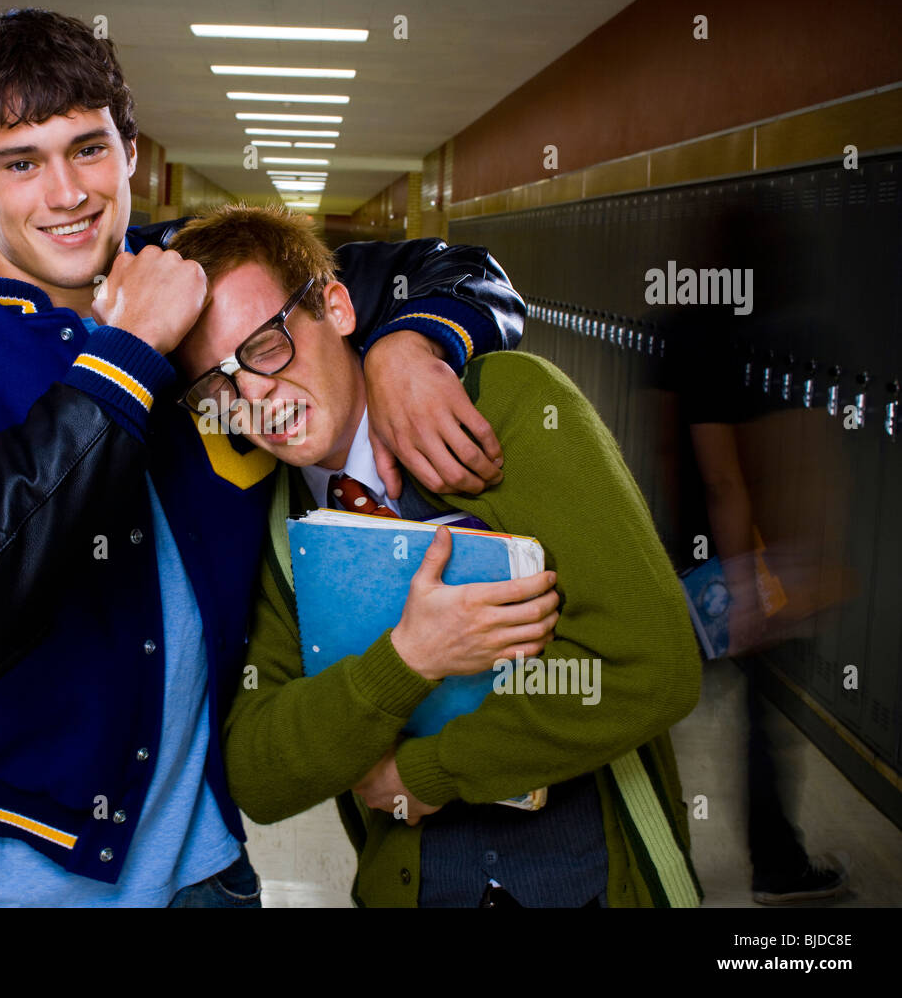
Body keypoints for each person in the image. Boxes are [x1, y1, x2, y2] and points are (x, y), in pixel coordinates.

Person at [0, 8, 528, 907]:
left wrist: (412, 345)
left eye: (88, 148)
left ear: (129, 149)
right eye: (21, 162)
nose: (68, 191)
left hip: (201, 861)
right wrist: (127, 352)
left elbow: (446, 271)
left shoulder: (201, 271)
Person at [169, 204, 704, 908]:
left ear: (337, 307)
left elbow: (654, 668)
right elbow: (259, 775)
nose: (252, 394)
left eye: (267, 346)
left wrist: (426, 773)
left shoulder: (507, 406)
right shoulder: (278, 527)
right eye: (219, 383)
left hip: (595, 878)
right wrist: (409, 658)